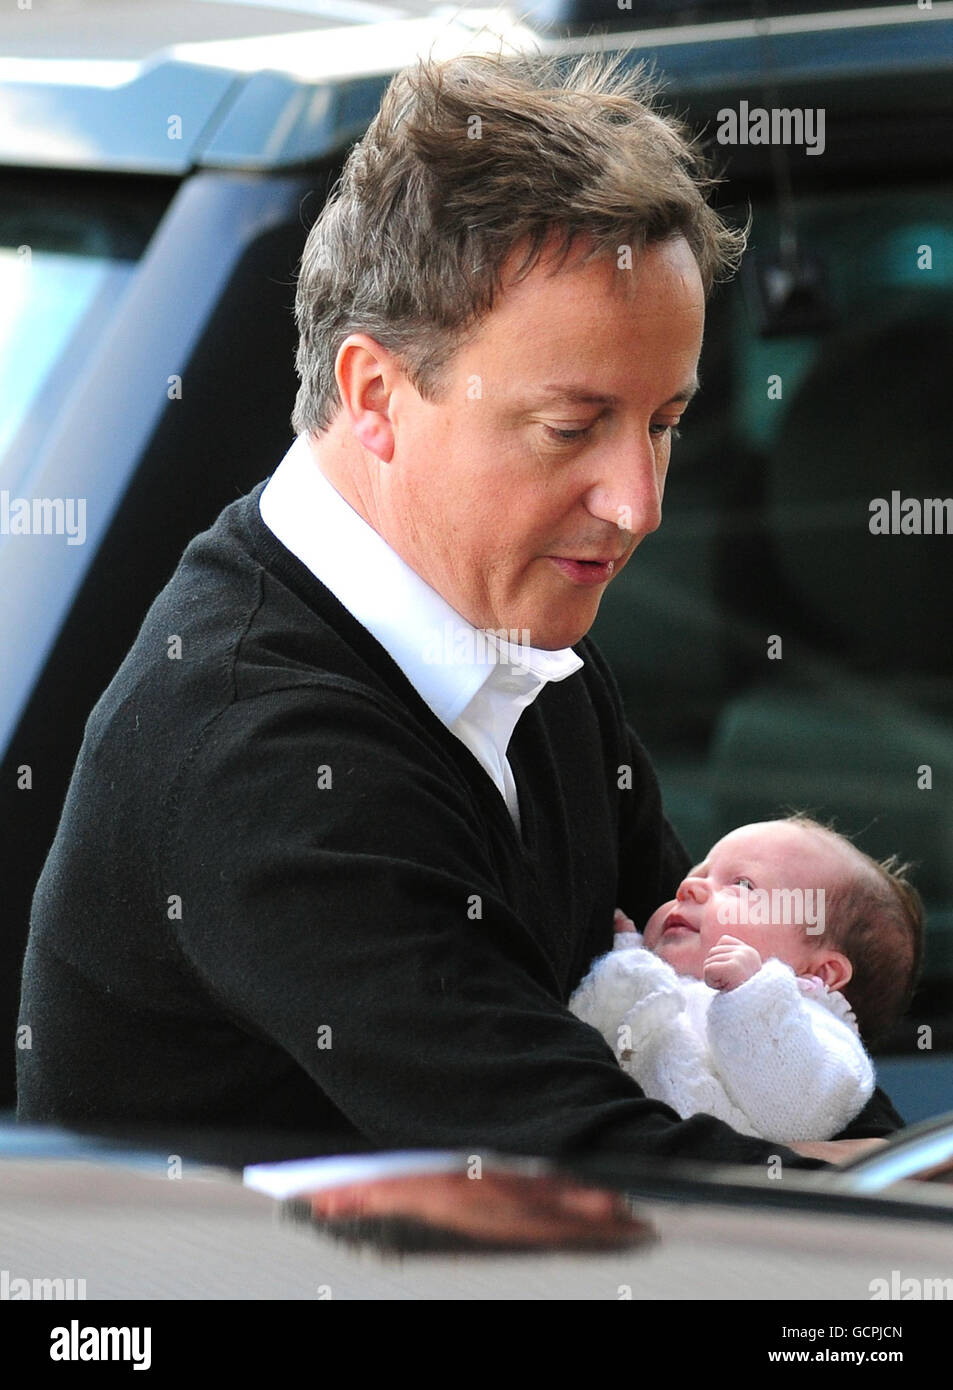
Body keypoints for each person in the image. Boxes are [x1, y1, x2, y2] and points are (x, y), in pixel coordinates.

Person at [17, 50, 901, 1169]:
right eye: (570, 426)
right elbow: (615, 1182)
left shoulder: (517, 644)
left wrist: (884, 1158)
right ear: (375, 394)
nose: (636, 504)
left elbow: (725, 1028)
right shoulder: (264, 757)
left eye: (664, 422)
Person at [570, 817, 923, 1142]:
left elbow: (792, 1114)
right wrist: (625, 962)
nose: (689, 888)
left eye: (741, 885)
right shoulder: (671, 983)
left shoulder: (820, 1036)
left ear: (819, 973)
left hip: (716, 1198)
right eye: (698, 873)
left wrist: (754, 999)